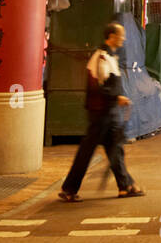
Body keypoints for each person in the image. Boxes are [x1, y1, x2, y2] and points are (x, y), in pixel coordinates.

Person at [59, 22, 144, 201]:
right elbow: (99, 88)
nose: (124, 38)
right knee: (88, 152)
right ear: (111, 36)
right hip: (100, 114)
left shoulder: (110, 57)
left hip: (109, 112)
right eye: (121, 35)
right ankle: (69, 189)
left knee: (115, 149)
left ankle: (125, 186)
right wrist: (116, 98)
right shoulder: (102, 58)